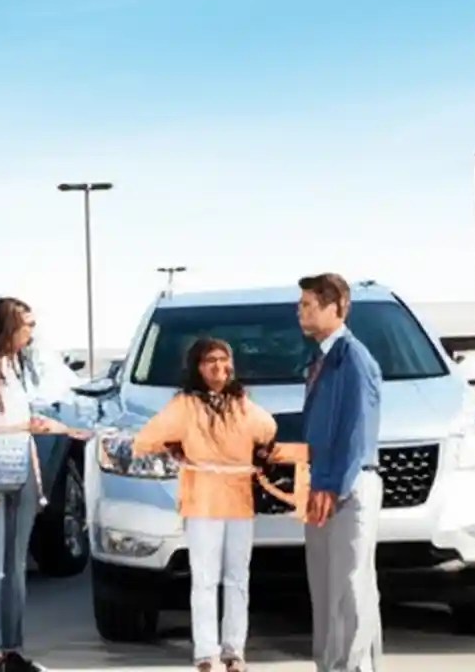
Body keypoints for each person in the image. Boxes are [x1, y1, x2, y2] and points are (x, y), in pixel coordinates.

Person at [0, 297, 88, 672]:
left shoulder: (17, 366)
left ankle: (11, 649)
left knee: (15, 567)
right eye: (27, 325)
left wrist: (43, 424)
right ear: (8, 326)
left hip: (23, 468)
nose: (31, 332)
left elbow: (23, 411)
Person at [131, 337, 278, 672]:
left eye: (224, 360)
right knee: (205, 579)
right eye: (210, 360)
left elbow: (267, 428)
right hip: (202, 500)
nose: (218, 367)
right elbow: (146, 439)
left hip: (238, 499)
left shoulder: (241, 402)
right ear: (197, 366)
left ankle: (234, 650)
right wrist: (173, 446)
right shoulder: (184, 404)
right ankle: (205, 653)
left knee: (238, 577)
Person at [296, 273, 383, 672]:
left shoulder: (354, 359)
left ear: (337, 307)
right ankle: (332, 666)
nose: (301, 312)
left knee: (350, 586)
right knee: (327, 587)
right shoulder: (322, 359)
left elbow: (356, 428)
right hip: (323, 485)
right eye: (301, 305)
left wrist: (334, 486)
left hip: (347, 487)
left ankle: (351, 667)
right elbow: (318, 423)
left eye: (309, 305)